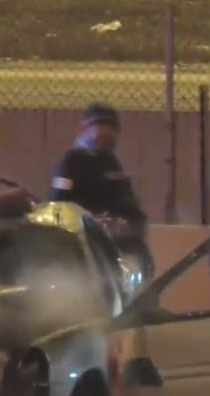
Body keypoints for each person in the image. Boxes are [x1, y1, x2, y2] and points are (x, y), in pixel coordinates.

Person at [48, 103, 152, 275]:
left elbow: (126, 202)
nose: (105, 133)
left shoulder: (110, 163)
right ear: (87, 129)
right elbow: (60, 205)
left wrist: (129, 222)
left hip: (113, 240)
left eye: (110, 127)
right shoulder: (72, 163)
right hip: (85, 240)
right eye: (100, 126)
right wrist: (95, 221)